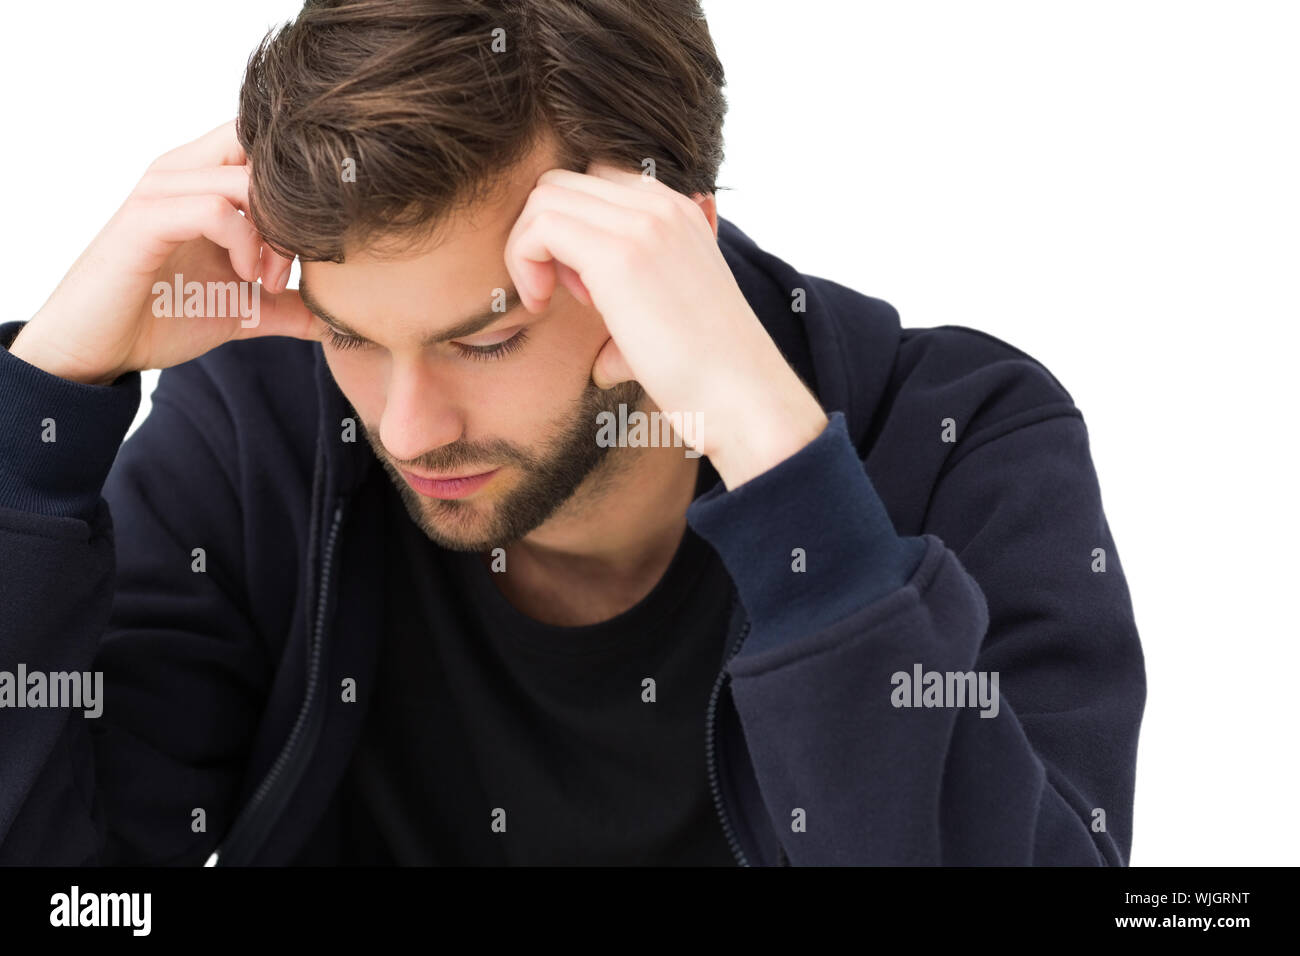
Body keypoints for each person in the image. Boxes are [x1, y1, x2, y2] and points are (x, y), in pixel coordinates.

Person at [0, 0, 1145, 866]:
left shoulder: (961, 443)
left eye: (484, 340)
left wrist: (782, 469)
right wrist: (38, 417)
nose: (407, 427)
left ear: (665, 245)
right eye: (351, 334)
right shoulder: (257, 418)